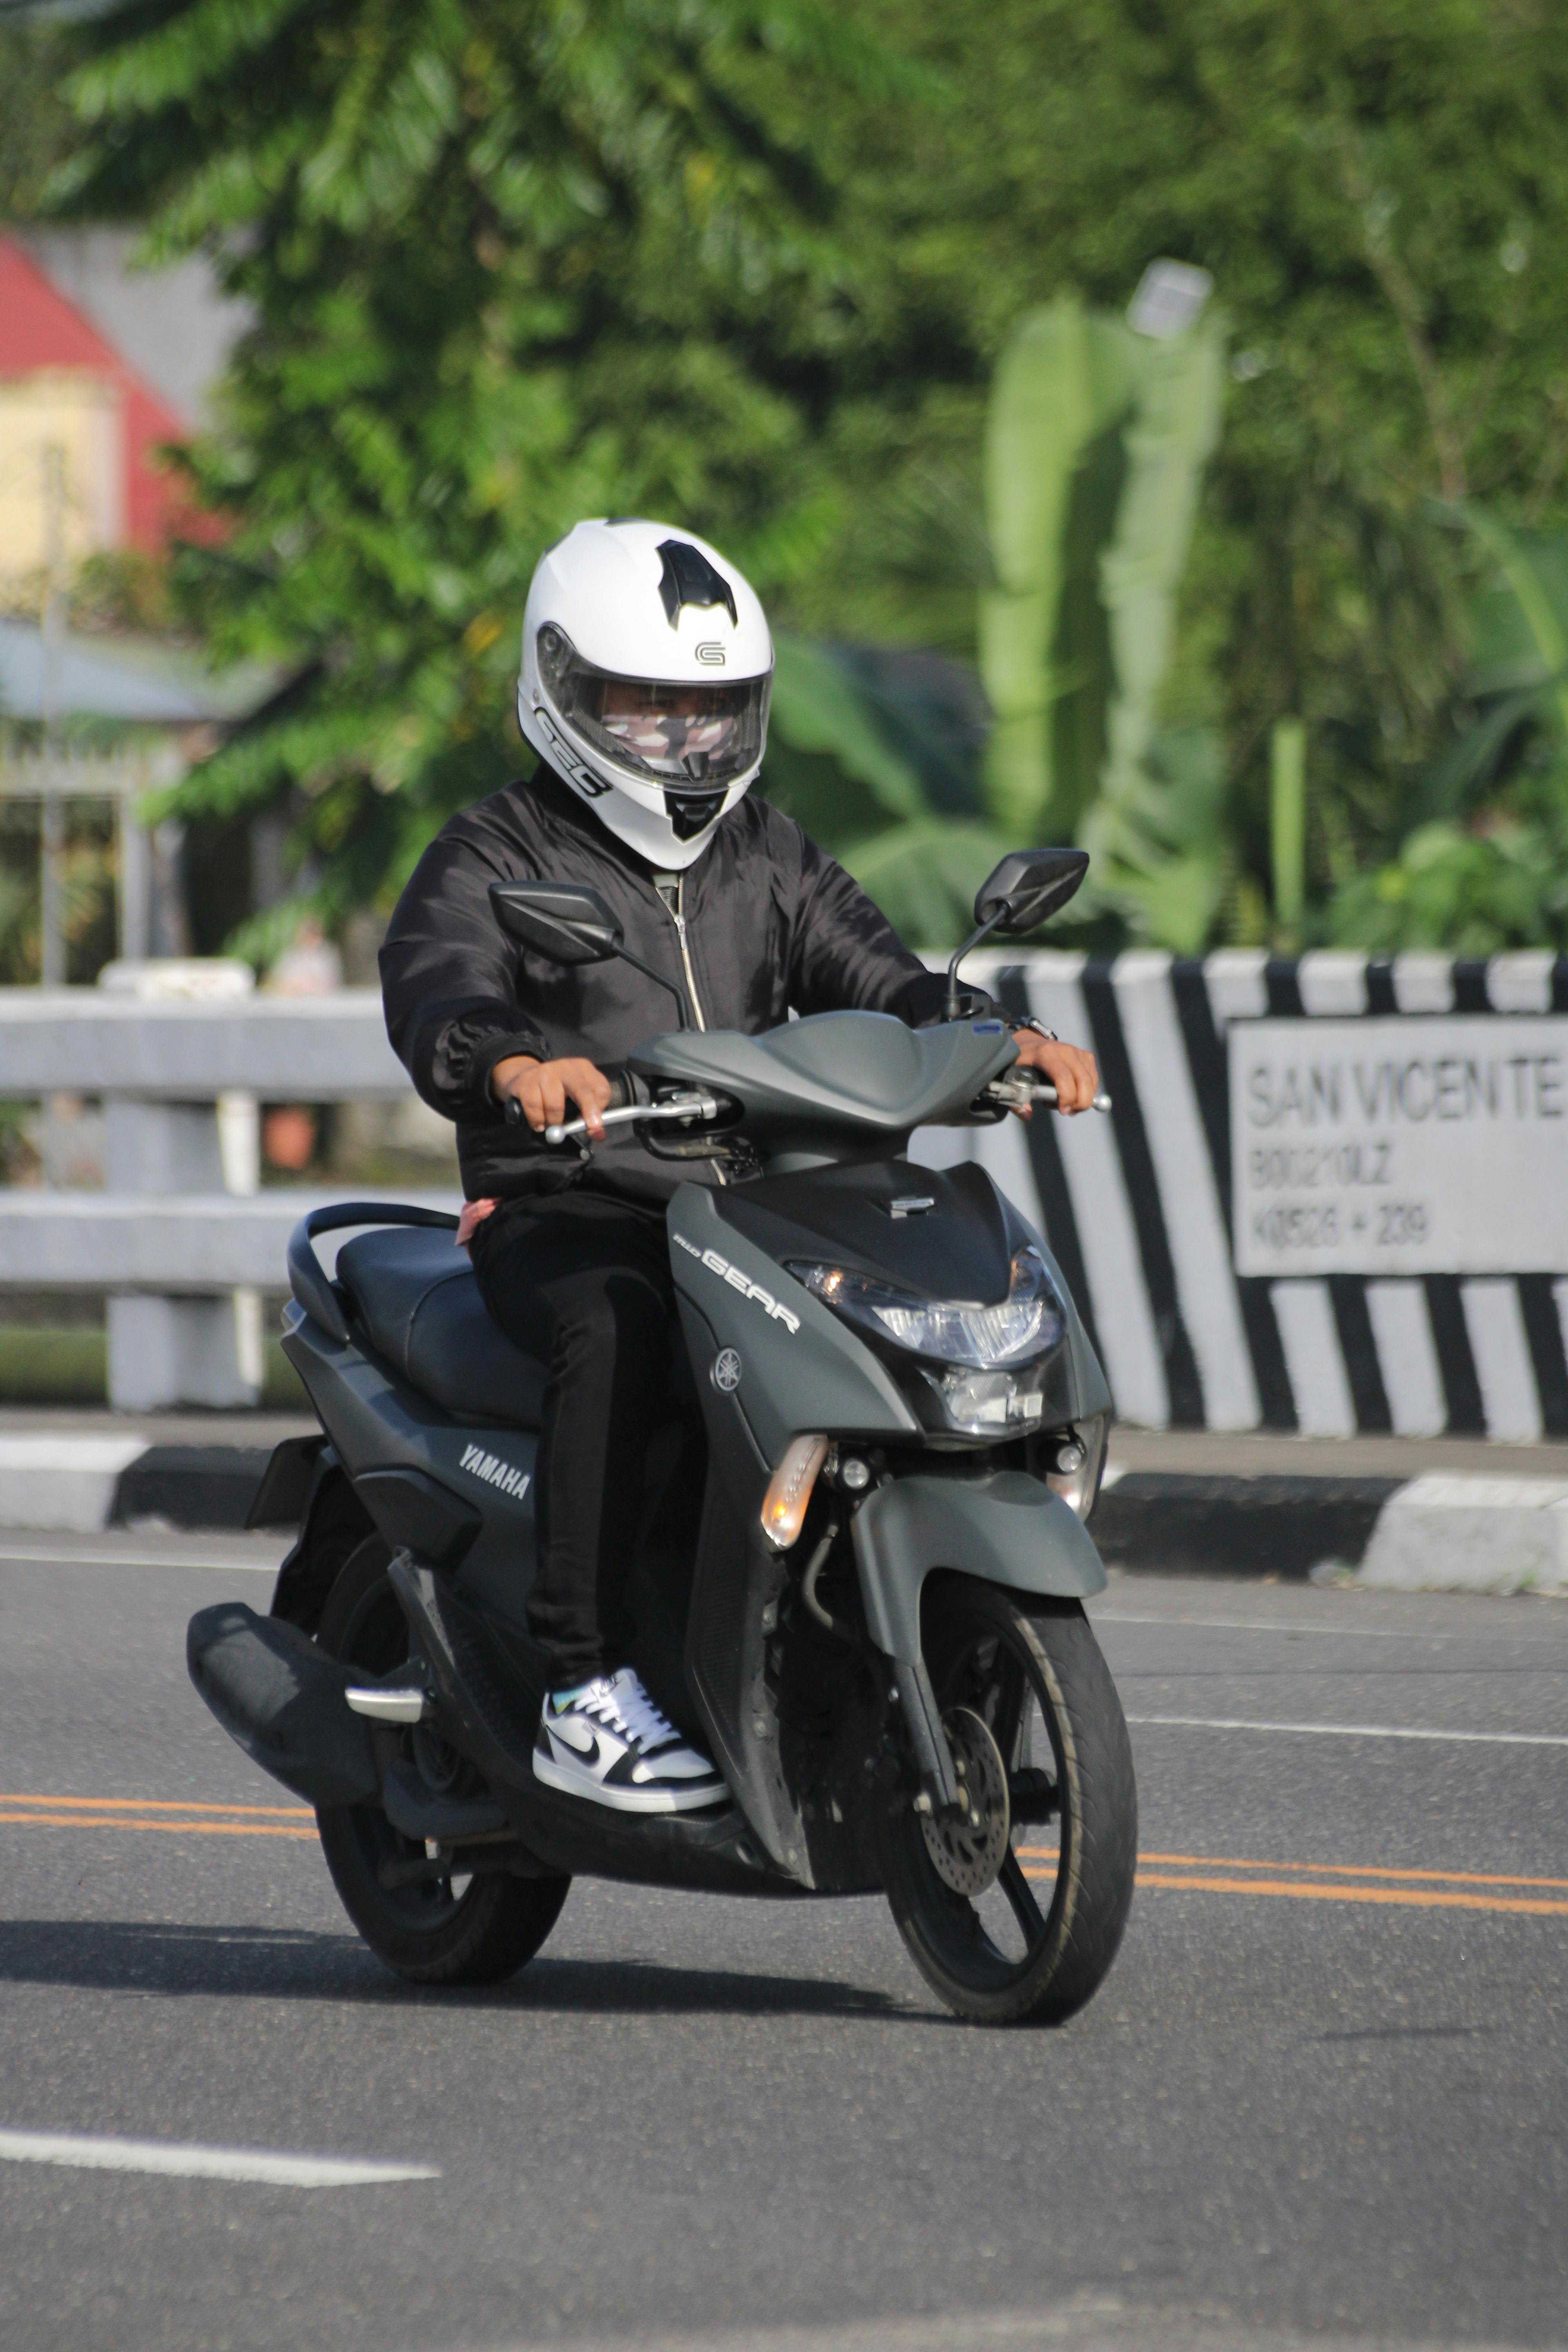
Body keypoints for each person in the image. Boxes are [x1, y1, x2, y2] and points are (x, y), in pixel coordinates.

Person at [380, 519, 1100, 1816]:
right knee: (619, 1329)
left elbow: (877, 975)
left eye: (708, 709)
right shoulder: (495, 853)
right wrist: (512, 1062)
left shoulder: (767, 854)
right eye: (647, 705)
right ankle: (580, 1686)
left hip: (756, 1207)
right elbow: (442, 983)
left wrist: (997, 1040)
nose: (683, 738)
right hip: (575, 1204)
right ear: (561, 687)